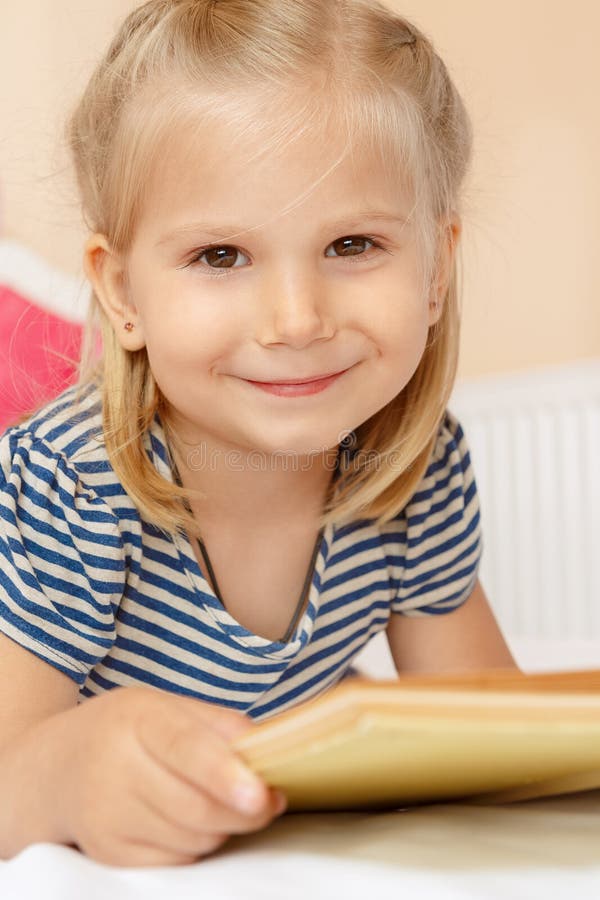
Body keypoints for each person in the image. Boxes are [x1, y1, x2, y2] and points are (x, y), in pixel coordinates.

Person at [0, 0, 516, 868]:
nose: (295, 320)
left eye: (352, 244)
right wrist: (66, 773)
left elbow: (492, 733)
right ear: (122, 293)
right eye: (221, 256)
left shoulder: (415, 469)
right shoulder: (71, 486)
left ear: (436, 268)